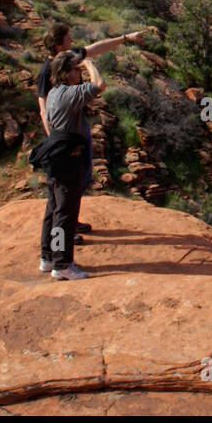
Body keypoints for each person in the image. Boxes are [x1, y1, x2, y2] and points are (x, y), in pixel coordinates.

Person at [34, 24, 149, 237]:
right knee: (64, 185)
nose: (72, 42)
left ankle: (70, 221)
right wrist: (56, 142)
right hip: (62, 134)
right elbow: (43, 111)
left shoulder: (68, 57)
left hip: (77, 127)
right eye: (68, 39)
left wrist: (126, 37)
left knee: (80, 176)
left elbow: (95, 48)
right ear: (59, 45)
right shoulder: (46, 72)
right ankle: (62, 232)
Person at [29, 49, 105, 280]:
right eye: (76, 69)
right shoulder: (70, 94)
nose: (79, 73)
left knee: (52, 210)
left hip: (55, 156)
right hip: (68, 159)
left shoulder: (53, 93)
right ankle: (62, 264)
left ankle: (47, 257)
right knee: (65, 213)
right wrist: (90, 63)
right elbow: (100, 84)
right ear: (65, 72)